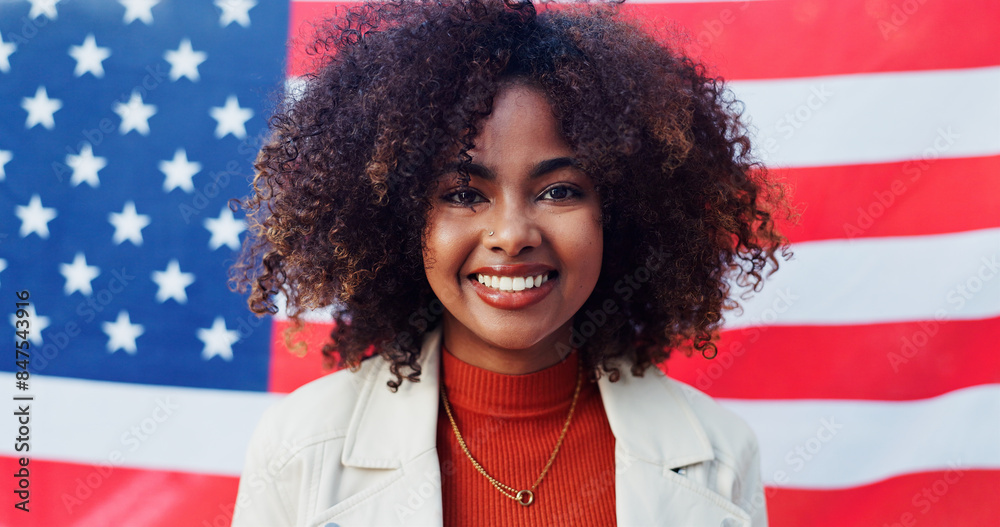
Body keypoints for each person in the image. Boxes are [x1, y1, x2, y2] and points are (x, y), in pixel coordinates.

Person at [229, 0, 790, 525]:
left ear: (620, 213)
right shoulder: (301, 447)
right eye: (464, 194)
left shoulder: (719, 455)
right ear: (399, 218)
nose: (512, 235)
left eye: (560, 191)